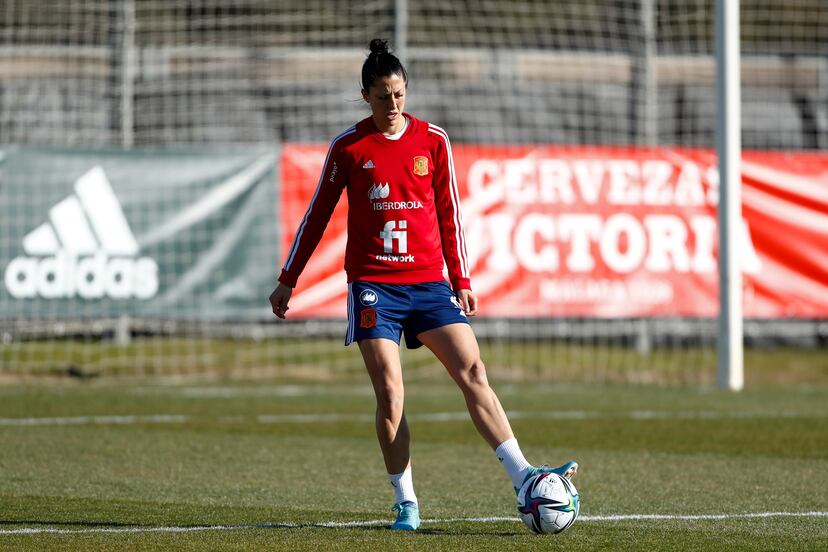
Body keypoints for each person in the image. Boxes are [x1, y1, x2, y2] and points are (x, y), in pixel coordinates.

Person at [269, 38, 577, 531]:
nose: (392, 104)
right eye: (382, 96)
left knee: (473, 370)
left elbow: (449, 214)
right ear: (365, 96)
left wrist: (461, 278)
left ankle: (524, 478)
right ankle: (406, 502)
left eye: (399, 94)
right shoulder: (348, 148)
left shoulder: (433, 141)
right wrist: (289, 279)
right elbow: (317, 215)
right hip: (374, 285)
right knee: (391, 392)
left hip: (430, 283)